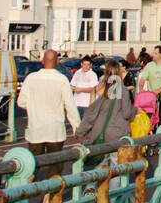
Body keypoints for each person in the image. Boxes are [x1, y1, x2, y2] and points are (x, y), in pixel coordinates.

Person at [17, 49, 81, 180]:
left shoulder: (31, 78)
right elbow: (70, 106)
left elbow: (21, 102)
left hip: (36, 130)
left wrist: (34, 108)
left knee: (32, 166)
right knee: (55, 167)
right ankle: (50, 198)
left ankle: (26, 192)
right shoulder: (62, 79)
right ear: (57, 62)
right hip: (55, 131)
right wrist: (77, 128)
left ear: (42, 61)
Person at [76, 60, 136, 147]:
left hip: (98, 133)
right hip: (117, 133)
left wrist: (80, 133)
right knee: (116, 159)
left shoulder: (97, 89)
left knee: (101, 159)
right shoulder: (122, 90)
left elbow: (90, 114)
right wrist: (135, 109)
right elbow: (127, 114)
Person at [139, 45, 161, 123]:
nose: (153, 55)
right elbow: (142, 80)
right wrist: (141, 90)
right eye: (153, 53)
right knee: (151, 120)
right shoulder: (149, 65)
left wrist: (159, 90)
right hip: (152, 96)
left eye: (155, 53)